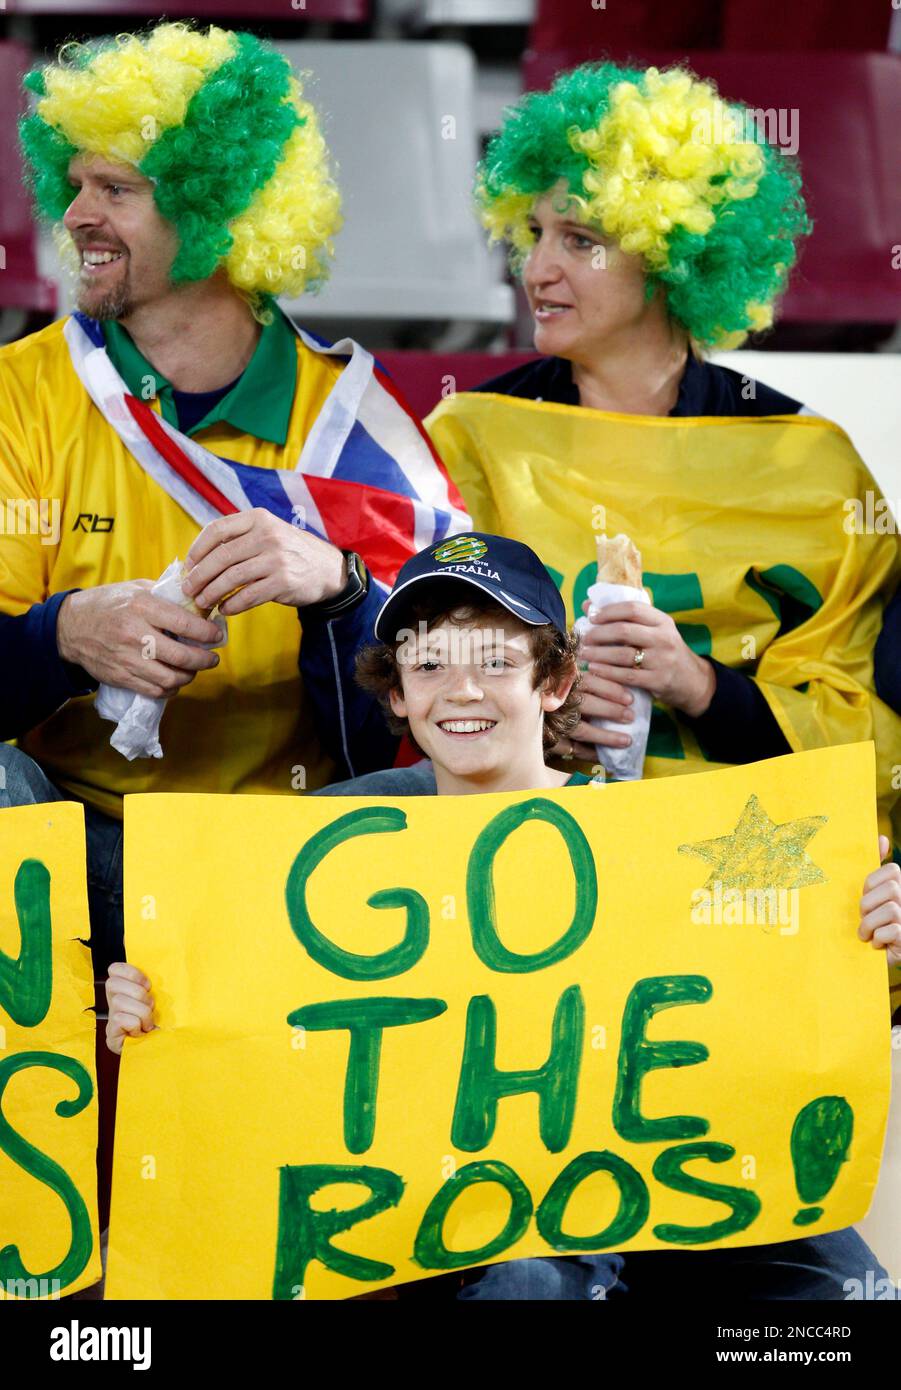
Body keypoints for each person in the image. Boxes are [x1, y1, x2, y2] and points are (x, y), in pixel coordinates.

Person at [106, 533, 901, 1301]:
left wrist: (859, 924)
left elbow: (768, 1002)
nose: (461, 691)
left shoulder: (657, 832)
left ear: (552, 683)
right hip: (475, 1195)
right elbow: (250, 999)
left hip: (661, 1174)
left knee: (843, 1291)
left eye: (494, 661)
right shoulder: (334, 838)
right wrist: (152, 1009)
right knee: (527, 1282)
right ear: (395, 692)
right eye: (427, 666)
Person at [0, 22, 468, 971]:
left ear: (219, 215)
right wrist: (59, 637)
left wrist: (339, 594)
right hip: (65, 843)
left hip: (295, 869)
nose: (77, 215)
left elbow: (440, 713)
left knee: (446, 795)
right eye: (76, 184)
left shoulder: (357, 428)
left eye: (118, 190)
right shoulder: (18, 396)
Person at [418, 60, 901, 876]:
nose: (536, 271)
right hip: (531, 856)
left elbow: (864, 739)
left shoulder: (810, 462)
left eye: (581, 241)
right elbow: (409, 676)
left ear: (672, 253)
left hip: (754, 862)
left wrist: (700, 687)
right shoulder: (465, 437)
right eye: (533, 234)